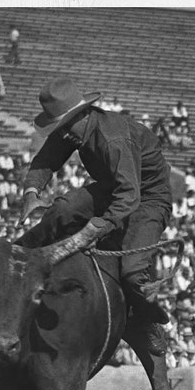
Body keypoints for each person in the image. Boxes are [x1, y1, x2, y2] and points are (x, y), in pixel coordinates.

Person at [17, 77, 175, 354]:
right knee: (63, 209)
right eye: (59, 127)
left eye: (64, 126)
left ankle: (147, 323)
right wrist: (32, 191)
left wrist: (95, 228)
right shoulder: (73, 130)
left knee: (133, 272)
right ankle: (21, 251)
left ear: (82, 114)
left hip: (147, 199)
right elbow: (46, 160)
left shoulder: (113, 139)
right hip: (113, 188)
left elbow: (130, 196)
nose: (62, 134)